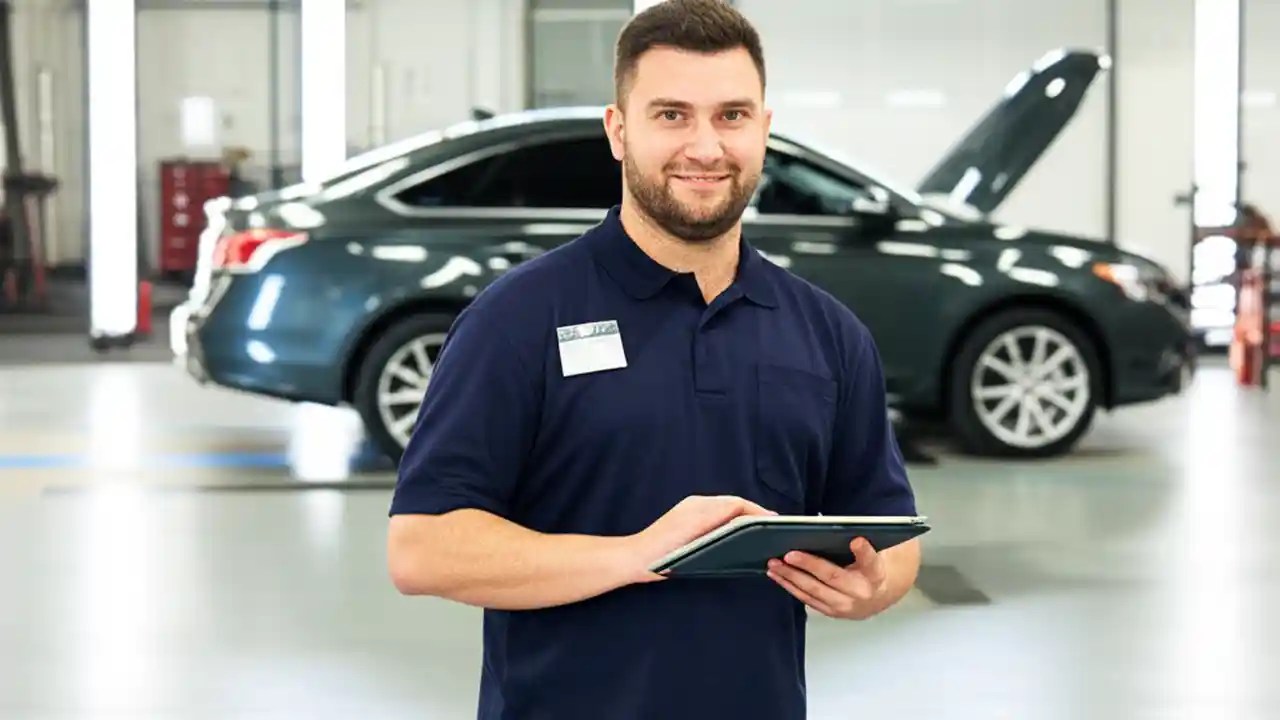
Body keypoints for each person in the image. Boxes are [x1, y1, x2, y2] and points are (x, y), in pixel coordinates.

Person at [386, 1, 922, 717]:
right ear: (618, 130)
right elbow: (423, 548)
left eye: (731, 116)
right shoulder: (517, 319)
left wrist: (872, 589)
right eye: (672, 115)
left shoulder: (828, 334)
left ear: (764, 129)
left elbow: (891, 533)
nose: (705, 146)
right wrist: (637, 554)